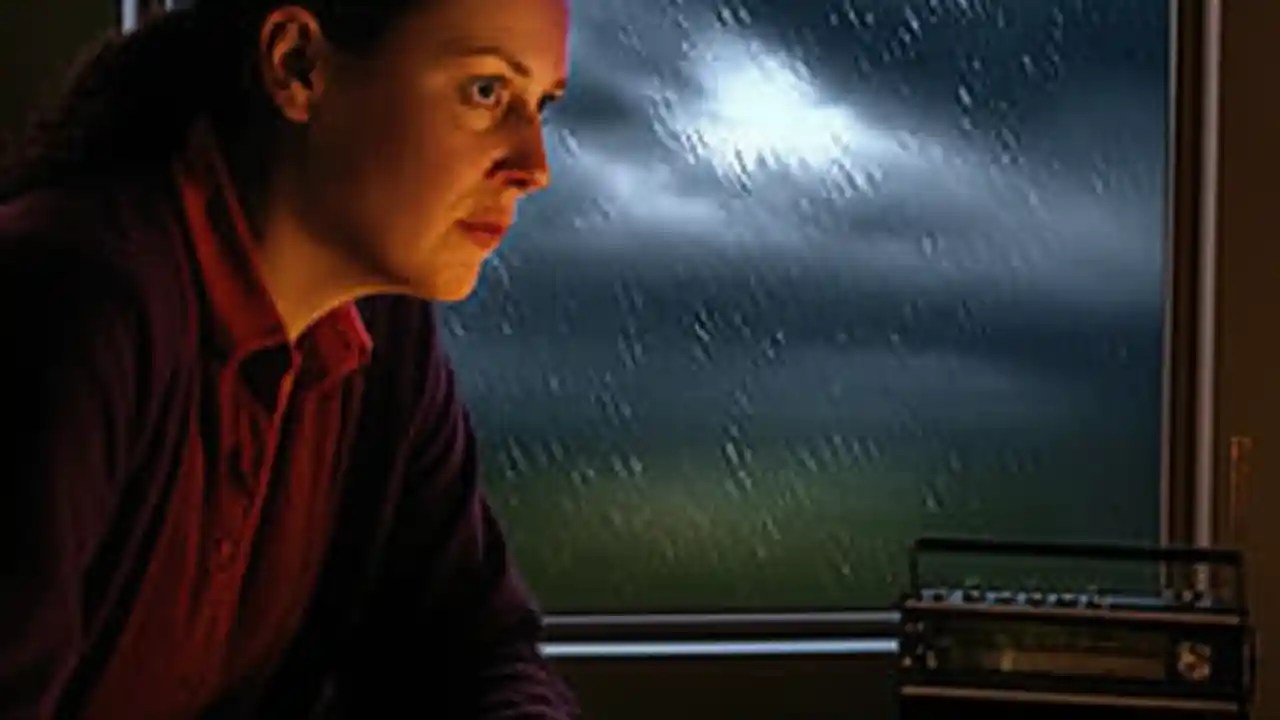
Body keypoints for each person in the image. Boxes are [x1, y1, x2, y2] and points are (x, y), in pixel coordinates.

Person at [0, 0, 577, 717]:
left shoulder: (377, 333)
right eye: (486, 91)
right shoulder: (72, 303)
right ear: (298, 67)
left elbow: (478, 652)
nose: (534, 166)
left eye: (540, 104)